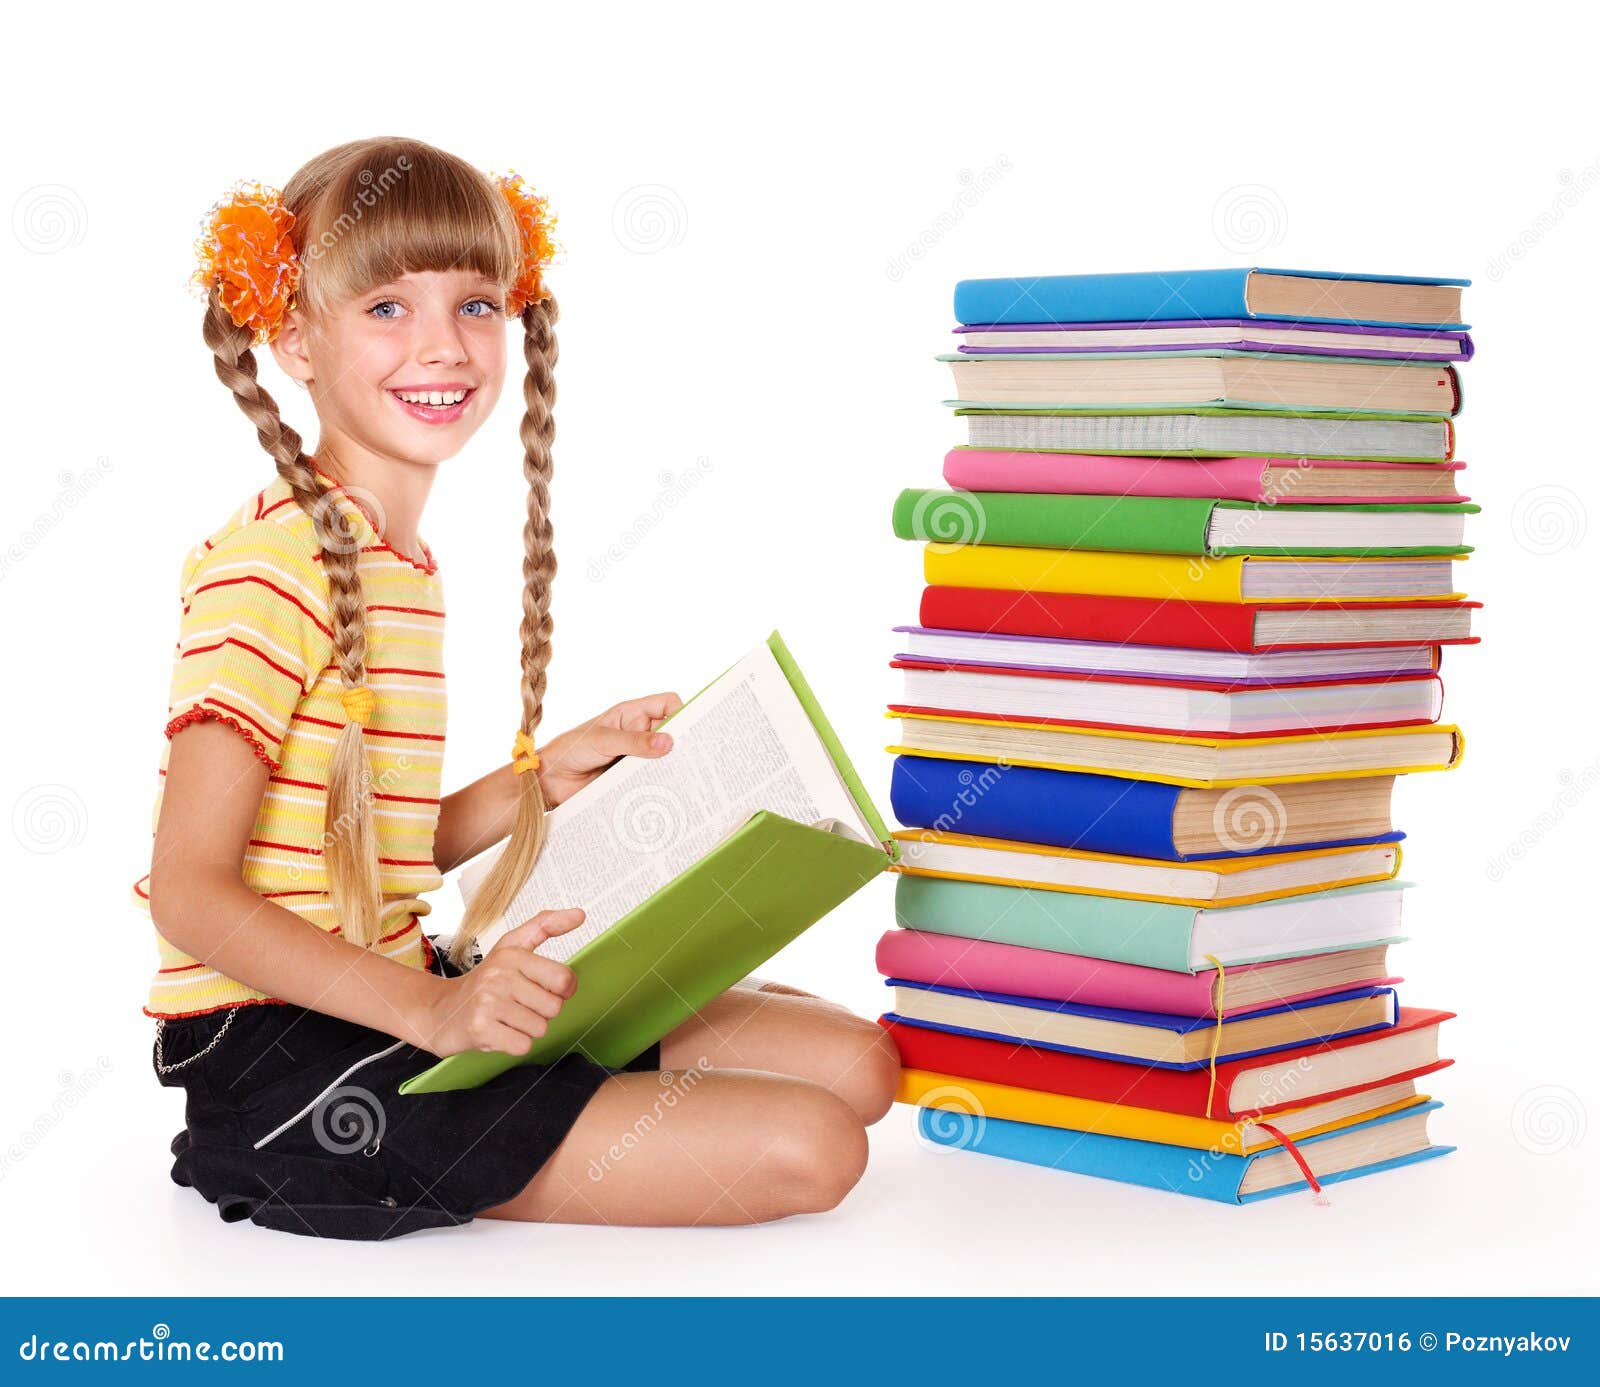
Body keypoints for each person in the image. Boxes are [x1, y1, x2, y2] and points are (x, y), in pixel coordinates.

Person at [136, 136, 898, 1240]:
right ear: (296, 336)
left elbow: (356, 845)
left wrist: (537, 784)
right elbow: (191, 893)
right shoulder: (269, 569)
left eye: (476, 304)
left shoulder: (397, 566)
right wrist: (436, 1010)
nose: (442, 345)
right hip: (287, 1059)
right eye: (387, 309)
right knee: (814, 1145)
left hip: (395, 993)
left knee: (857, 1064)